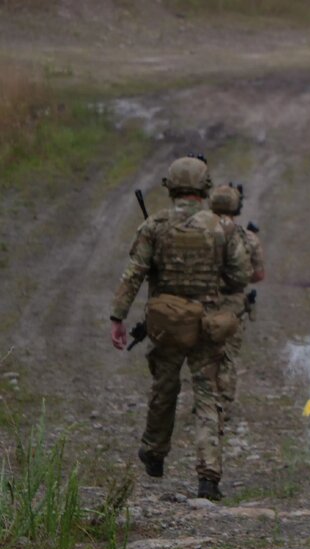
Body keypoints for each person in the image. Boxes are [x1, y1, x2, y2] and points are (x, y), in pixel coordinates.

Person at [110, 156, 252, 501]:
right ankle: (209, 475)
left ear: (170, 186)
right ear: (204, 188)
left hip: (167, 325)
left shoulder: (154, 226)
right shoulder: (222, 228)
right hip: (206, 324)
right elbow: (240, 277)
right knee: (207, 396)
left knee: (164, 387)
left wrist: (118, 317)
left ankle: (155, 453)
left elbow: (134, 274)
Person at [209, 183, 265, 429]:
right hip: (232, 304)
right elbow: (259, 275)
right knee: (228, 355)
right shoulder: (248, 237)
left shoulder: (198, 231)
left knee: (204, 353)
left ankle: (204, 399)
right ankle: (222, 403)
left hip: (203, 301)